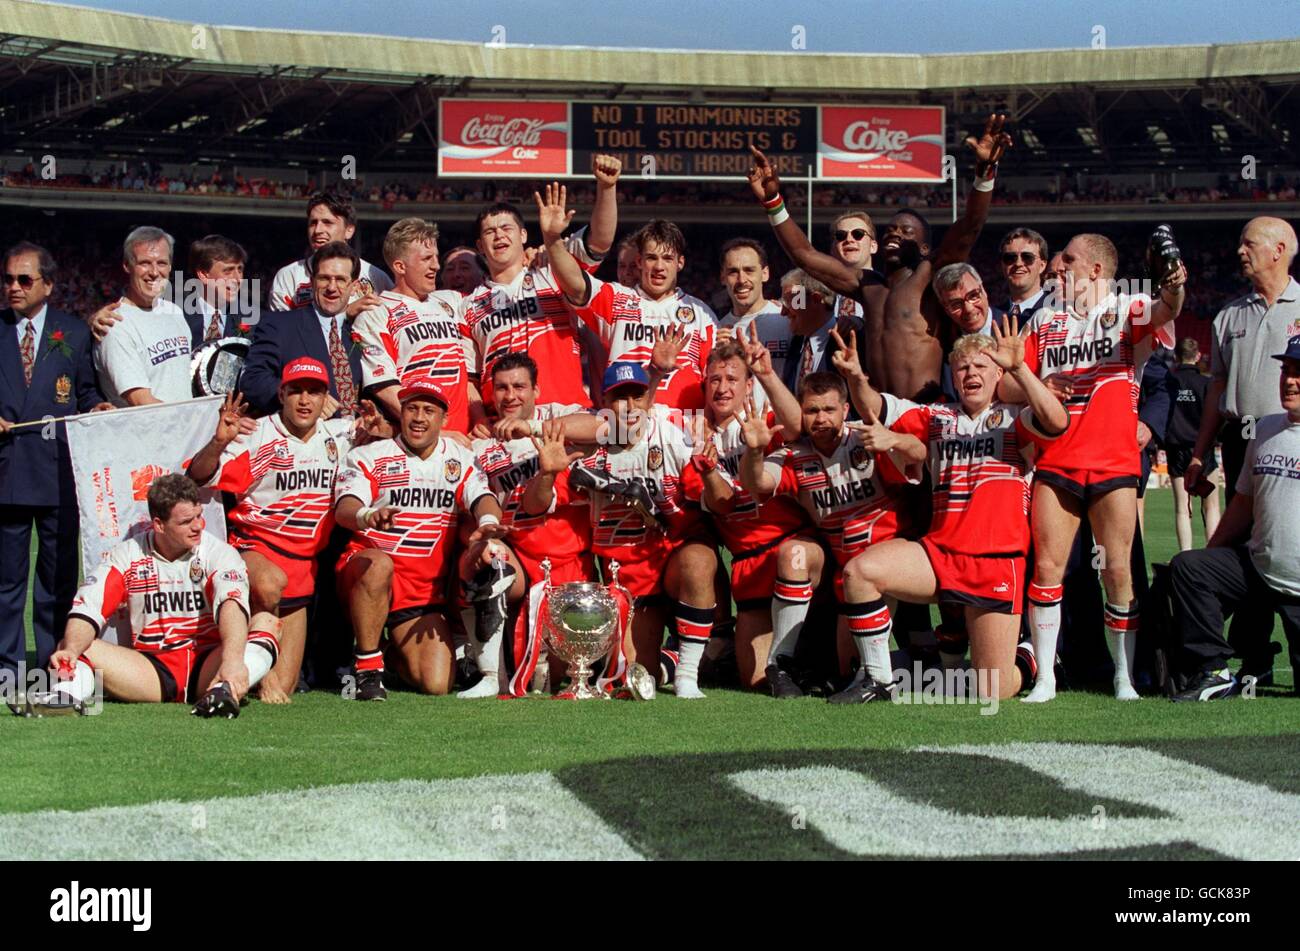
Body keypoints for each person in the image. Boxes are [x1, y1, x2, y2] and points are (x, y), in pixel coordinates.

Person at [840, 318, 1069, 701]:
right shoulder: (937, 417)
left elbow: (1057, 421)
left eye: (981, 366)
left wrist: (1020, 369)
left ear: (998, 373)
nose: (971, 373)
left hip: (996, 561)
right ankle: (877, 679)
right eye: (962, 367)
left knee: (989, 690)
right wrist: (855, 378)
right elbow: (876, 409)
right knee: (860, 572)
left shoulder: (1015, 417)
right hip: (940, 553)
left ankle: (1029, 657)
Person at [1001, 231, 1185, 702]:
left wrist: (1174, 281)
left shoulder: (1127, 308)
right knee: (1046, 568)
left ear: (1097, 270)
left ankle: (1124, 676)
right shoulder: (1045, 318)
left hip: (1112, 462)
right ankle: (1046, 679)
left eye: (1068, 260)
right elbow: (1005, 388)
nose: (1058, 267)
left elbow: (1169, 306)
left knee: (1118, 571)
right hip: (1057, 460)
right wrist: (1036, 383)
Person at [747, 114, 1011, 401]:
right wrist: (773, 203)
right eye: (891, 228)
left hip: (922, 411)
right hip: (879, 414)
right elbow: (804, 255)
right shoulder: (868, 285)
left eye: (906, 230)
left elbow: (969, 228)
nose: (894, 233)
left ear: (924, 248)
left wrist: (985, 173)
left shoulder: (928, 278)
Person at [522, 362, 719, 699]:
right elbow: (534, 507)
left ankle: (687, 674)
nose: (628, 406)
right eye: (618, 398)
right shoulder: (589, 450)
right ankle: (670, 660)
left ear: (649, 400)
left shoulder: (673, 437)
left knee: (699, 560)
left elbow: (716, 503)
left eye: (636, 396)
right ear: (604, 404)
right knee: (635, 679)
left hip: (670, 560)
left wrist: (711, 470)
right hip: (625, 584)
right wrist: (546, 475)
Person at [185, 360, 355, 704]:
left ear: (326, 399)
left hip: (304, 567)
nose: (304, 400)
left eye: (314, 392)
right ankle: (231, 668)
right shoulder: (258, 435)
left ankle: (239, 671)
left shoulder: (340, 437)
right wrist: (218, 443)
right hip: (257, 551)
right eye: (296, 391)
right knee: (270, 582)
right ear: (281, 394)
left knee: (283, 687)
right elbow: (198, 477)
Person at [737, 371, 915, 697]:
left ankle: (901, 673)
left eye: (829, 410)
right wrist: (755, 451)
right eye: (812, 411)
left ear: (845, 410)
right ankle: (781, 664)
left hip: (888, 559)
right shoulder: (796, 454)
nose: (820, 418)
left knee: (859, 669)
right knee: (795, 554)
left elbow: (918, 452)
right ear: (800, 413)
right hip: (842, 568)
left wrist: (897, 440)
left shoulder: (867, 439)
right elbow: (757, 484)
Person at [334, 378, 509, 699]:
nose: (419, 417)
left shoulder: (458, 458)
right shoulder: (371, 455)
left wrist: (487, 522)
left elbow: (483, 496)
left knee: (437, 683)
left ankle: (390, 654)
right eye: (411, 408)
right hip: (366, 578)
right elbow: (344, 508)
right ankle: (367, 668)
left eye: (429, 410)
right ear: (401, 413)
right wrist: (366, 516)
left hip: (419, 593)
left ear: (443, 419)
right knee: (378, 563)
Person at [47, 474, 277, 717]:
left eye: (199, 516)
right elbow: (89, 607)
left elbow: (231, 605)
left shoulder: (219, 553)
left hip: (208, 665)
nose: (198, 526)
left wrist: (231, 661)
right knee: (73, 644)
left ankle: (223, 692)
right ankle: (65, 697)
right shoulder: (128, 555)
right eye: (187, 521)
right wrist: (72, 648)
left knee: (268, 623)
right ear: (159, 524)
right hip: (151, 671)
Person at [1169, 335, 1300, 701]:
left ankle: (1261, 661)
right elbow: (1242, 503)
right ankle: (1214, 670)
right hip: (1258, 572)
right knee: (1191, 567)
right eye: (1286, 370)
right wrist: (1213, 554)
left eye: (1299, 372)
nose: (1289, 380)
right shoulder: (1266, 429)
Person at [0, 241, 107, 677]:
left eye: (24, 279)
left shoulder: (74, 332)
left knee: (57, 580)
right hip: (6, 471)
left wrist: (98, 407)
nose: (13, 287)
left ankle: (51, 663)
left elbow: (85, 393)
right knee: (7, 583)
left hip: (60, 474)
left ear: (49, 284)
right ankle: (6, 667)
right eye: (7, 279)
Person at [678, 334, 808, 692]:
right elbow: (723, 504)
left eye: (732, 379)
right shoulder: (694, 442)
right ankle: (727, 647)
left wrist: (767, 373)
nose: (722, 387)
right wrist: (707, 470)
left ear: (748, 386)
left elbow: (798, 427)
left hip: (793, 546)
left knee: (794, 556)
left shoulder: (765, 419)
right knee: (754, 681)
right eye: (715, 380)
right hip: (748, 563)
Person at [470, 353, 604, 697]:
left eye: (519, 386)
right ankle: (488, 671)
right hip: (523, 559)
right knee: (492, 560)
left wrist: (534, 428)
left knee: (562, 673)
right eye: (501, 388)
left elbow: (615, 427)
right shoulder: (481, 445)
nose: (510, 396)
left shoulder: (557, 417)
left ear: (536, 390)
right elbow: (531, 505)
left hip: (572, 561)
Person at [460, 155, 621, 412]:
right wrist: (479, 417)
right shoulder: (467, 306)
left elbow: (600, 242)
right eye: (490, 232)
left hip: (565, 415)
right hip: (504, 426)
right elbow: (470, 378)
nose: (499, 234)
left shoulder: (551, 267)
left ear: (523, 235)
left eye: (506, 228)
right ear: (480, 246)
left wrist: (607, 188)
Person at [542, 185, 718, 412]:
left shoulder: (701, 314)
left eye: (667, 258)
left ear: (680, 263)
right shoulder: (617, 298)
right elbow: (575, 285)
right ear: (639, 262)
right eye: (651, 258)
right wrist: (552, 238)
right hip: (627, 426)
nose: (659, 267)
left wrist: (709, 424)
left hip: (684, 430)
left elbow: (715, 378)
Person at [1185, 217, 1299, 504]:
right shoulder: (1227, 316)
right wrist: (1199, 454)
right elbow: (1217, 388)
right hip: (1239, 437)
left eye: (1249, 243)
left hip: (1292, 432)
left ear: (1278, 250)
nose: (1239, 251)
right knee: (1239, 532)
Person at [352, 217, 482, 434]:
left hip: (467, 438)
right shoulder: (375, 314)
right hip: (421, 441)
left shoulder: (450, 300)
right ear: (400, 266)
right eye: (427, 259)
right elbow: (385, 388)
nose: (437, 266)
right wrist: (433, 433)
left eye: (437, 257)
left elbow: (497, 292)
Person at [241, 241, 366, 418]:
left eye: (340, 279)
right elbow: (252, 380)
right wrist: (299, 398)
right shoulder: (280, 325)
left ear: (353, 286)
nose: (331, 287)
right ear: (312, 281)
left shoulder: (362, 330)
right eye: (324, 278)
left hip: (356, 439)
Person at [93, 227, 193, 406]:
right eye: (145, 263)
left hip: (183, 428)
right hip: (146, 430)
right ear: (127, 265)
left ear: (170, 266)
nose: (154, 272)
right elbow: (142, 402)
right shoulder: (115, 324)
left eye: (161, 263)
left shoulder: (175, 312)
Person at [268, 190, 392, 314]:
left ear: (349, 230)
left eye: (327, 223)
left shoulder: (376, 277)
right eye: (313, 223)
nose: (317, 230)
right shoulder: (288, 276)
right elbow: (282, 330)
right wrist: (346, 315)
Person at [1165, 338, 1221, 550]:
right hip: (1203, 448)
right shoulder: (1206, 384)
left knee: (1182, 507)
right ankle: (1213, 554)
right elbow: (1216, 416)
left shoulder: (1169, 382)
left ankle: (1185, 555)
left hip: (1176, 448)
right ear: (1198, 356)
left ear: (1176, 357)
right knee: (1212, 506)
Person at [717, 238, 789, 379]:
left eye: (749, 270)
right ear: (722, 277)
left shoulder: (787, 319)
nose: (742, 279)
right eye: (733, 272)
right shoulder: (717, 330)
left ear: (765, 274)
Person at [182, 234, 255, 347]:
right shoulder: (177, 315)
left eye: (240, 270)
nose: (237, 279)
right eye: (228, 271)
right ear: (203, 275)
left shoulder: (252, 319)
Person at [997, 227, 1051, 319]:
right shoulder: (993, 316)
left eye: (1027, 257)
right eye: (1010, 258)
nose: (1018, 263)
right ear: (1002, 265)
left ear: (1042, 265)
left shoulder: (1058, 312)